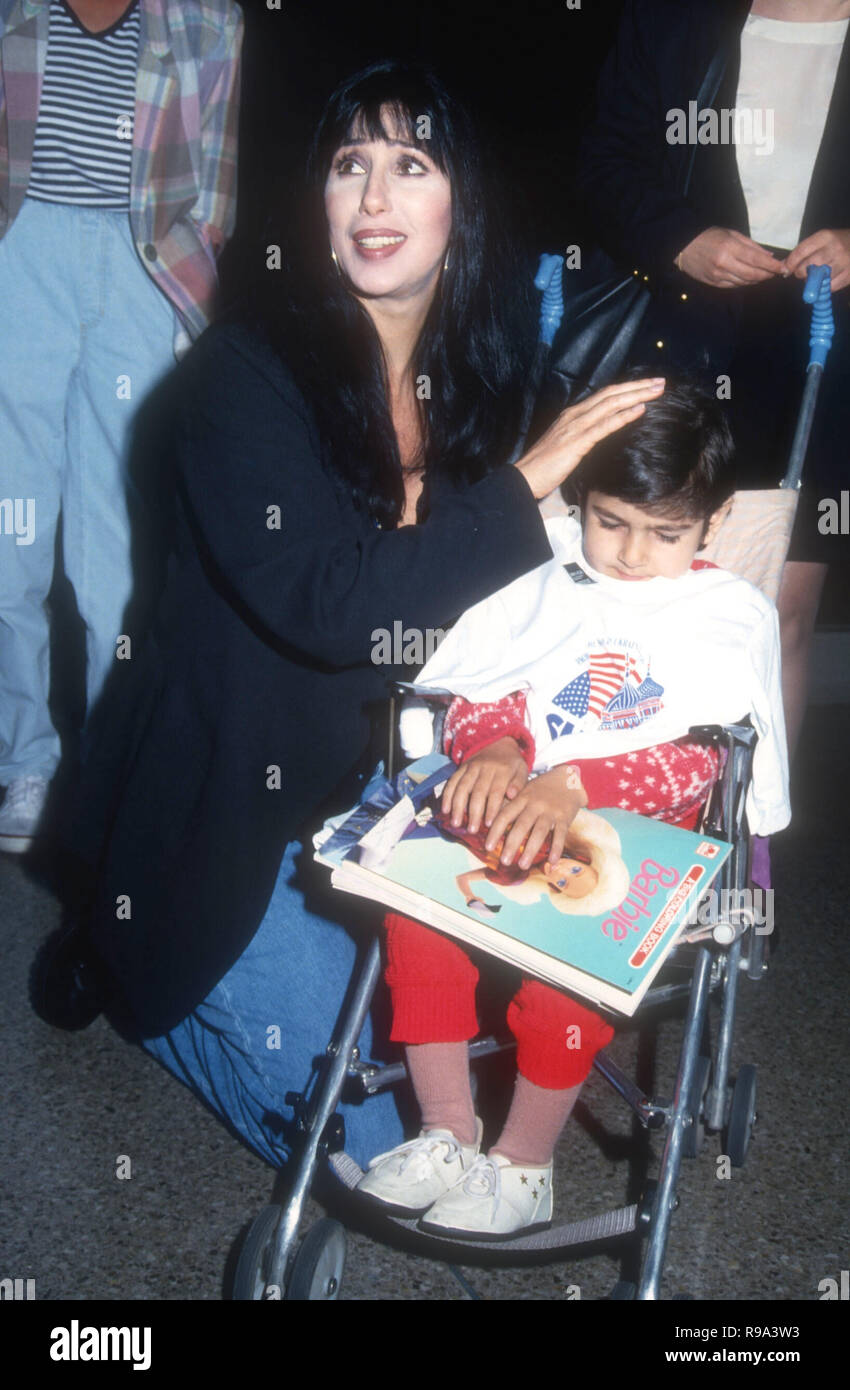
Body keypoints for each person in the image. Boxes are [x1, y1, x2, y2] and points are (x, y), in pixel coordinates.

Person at [59, 62, 665, 1170]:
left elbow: (519, 620)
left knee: (473, 1089)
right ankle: (124, 965)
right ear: (319, 200)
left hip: (383, 813)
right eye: (349, 166)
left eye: (410, 165)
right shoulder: (239, 378)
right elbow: (328, 606)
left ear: (460, 203)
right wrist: (522, 489)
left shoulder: (486, 388)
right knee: (392, 1147)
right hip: (227, 818)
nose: (374, 199)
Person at [356, 376, 791, 1237]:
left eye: (665, 533)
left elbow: (705, 756)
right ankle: (446, 1128)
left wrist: (576, 781)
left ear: (715, 521)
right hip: (510, 802)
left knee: (572, 963)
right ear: (578, 504)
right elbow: (478, 680)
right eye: (609, 520)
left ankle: (524, 1162)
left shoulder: (728, 614)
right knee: (416, 906)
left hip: (636, 841)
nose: (630, 553)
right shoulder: (545, 571)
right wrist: (497, 745)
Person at [575, 0, 850, 759]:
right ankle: (649, 839)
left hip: (829, 349)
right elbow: (604, 160)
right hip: (692, 338)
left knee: (780, 613)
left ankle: (754, 858)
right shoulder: (673, 19)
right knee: (650, 590)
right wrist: (679, 238)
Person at [0, 0, 243, 853]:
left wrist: (190, 290)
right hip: (18, 250)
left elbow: (214, 178)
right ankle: (25, 757)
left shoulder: (211, 18)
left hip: (143, 263)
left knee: (118, 549)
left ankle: (109, 768)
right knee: (9, 531)